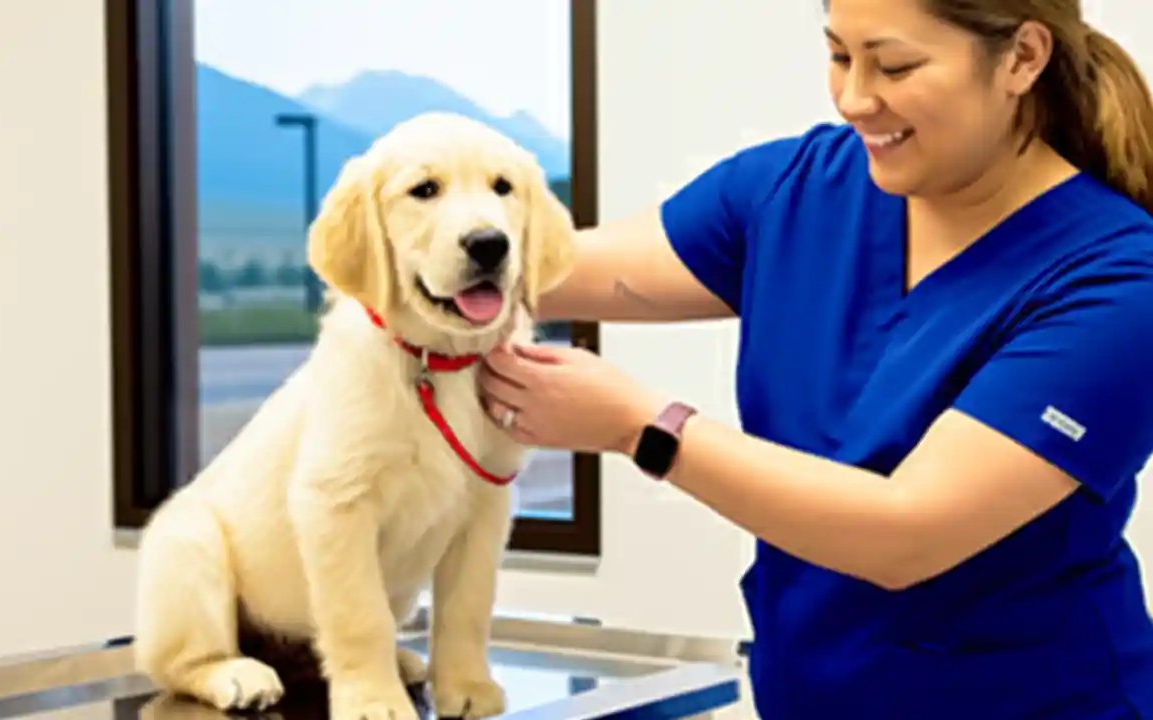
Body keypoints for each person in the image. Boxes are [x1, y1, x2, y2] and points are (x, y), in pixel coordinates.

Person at [477, 0, 1153, 717]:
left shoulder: (1116, 281)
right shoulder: (797, 191)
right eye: (838, 56)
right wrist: (407, 261)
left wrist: (640, 428)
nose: (855, 98)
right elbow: (546, 270)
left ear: (1022, 57)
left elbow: (907, 535)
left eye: (894, 65)